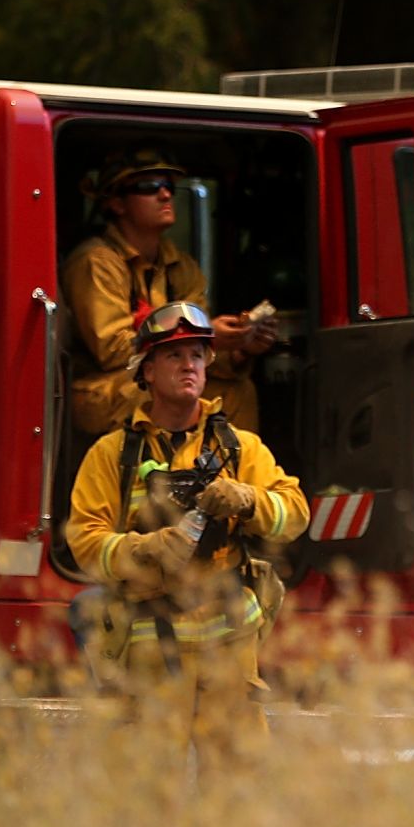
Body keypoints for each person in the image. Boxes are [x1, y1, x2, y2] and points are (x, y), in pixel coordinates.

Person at [67, 301, 309, 772]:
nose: (190, 365)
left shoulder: (240, 448)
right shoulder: (112, 454)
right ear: (147, 371)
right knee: (148, 791)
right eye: (175, 356)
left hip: (229, 650)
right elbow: (85, 541)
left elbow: (295, 514)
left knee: (236, 788)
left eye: (198, 355)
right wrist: (144, 549)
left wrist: (248, 500)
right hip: (150, 649)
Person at [61, 146, 277, 435]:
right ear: (116, 203)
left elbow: (197, 353)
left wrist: (236, 349)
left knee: (238, 390)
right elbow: (112, 352)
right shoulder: (96, 261)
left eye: (169, 186)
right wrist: (202, 335)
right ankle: (159, 478)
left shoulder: (181, 266)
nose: (165, 195)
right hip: (100, 389)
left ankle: (231, 477)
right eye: (149, 186)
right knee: (164, 390)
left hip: (160, 374)